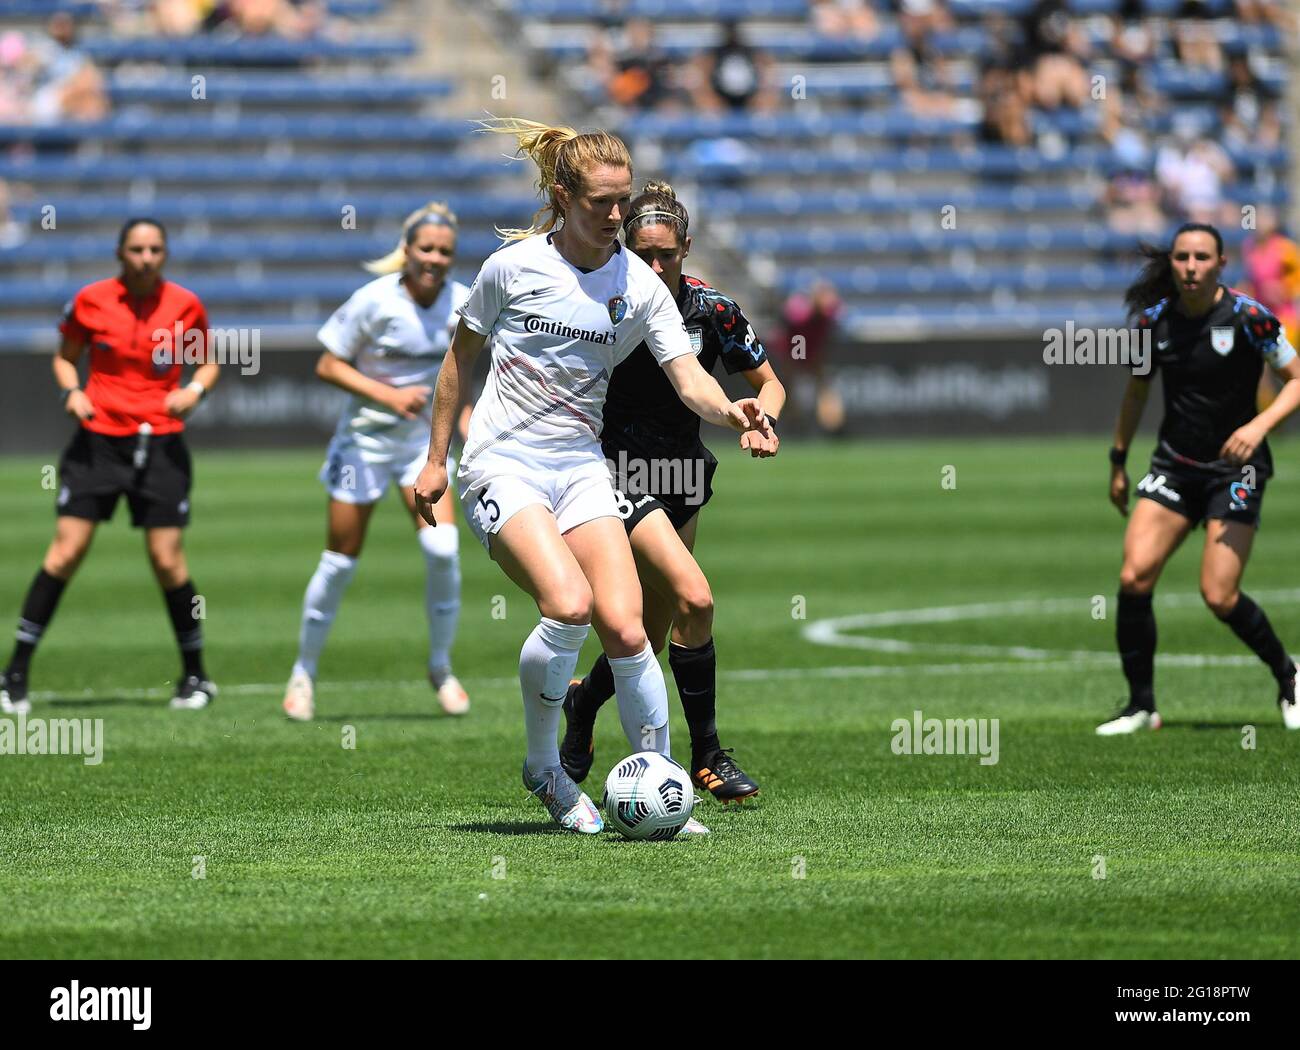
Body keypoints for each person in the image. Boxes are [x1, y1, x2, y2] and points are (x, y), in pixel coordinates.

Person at [411, 118, 773, 834]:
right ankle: (545, 768)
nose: (616, 217)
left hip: (580, 467)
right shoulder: (510, 270)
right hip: (503, 463)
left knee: (627, 626)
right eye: (601, 204)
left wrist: (733, 411)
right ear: (561, 196)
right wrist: (434, 459)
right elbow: (460, 359)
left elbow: (687, 378)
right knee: (569, 604)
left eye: (623, 201)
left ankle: (665, 786)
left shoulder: (638, 283)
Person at [559, 181, 784, 803]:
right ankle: (707, 755)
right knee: (697, 597)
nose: (656, 267)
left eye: (668, 255)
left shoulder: (714, 310)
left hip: (683, 476)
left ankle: (582, 703)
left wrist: (763, 417)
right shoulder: (608, 302)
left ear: (686, 248)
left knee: (654, 634)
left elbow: (770, 383)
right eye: (644, 254)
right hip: (616, 471)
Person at [0, 218, 219, 714]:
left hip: (161, 445)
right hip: (98, 444)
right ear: (120, 253)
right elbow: (65, 357)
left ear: (165, 254)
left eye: (155, 249)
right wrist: (71, 391)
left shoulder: (185, 304)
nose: (146, 257)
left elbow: (208, 361)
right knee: (64, 554)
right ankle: (13, 675)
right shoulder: (91, 300)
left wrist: (195, 390)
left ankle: (196, 676)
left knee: (167, 561)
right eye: (137, 249)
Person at [1100, 222, 1300, 735]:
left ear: (1221, 264)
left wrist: (1258, 426)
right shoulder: (1153, 325)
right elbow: (1136, 395)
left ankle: (1289, 676)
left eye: (1201, 258)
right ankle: (1141, 705)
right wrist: (1118, 460)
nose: (1190, 267)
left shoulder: (1250, 318)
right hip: (1174, 466)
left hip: (1236, 471)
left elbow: (1296, 382)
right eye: (1182, 257)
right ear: (1172, 263)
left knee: (1219, 594)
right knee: (1133, 575)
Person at [282, 203, 472, 721]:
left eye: (445, 251)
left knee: (443, 548)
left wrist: (466, 415)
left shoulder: (462, 303)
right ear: (407, 251)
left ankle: (440, 667)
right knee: (341, 560)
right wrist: (387, 396)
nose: (434, 258)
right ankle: (304, 674)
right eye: (426, 248)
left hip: (421, 451)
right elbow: (327, 363)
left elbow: (466, 371)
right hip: (363, 445)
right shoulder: (375, 300)